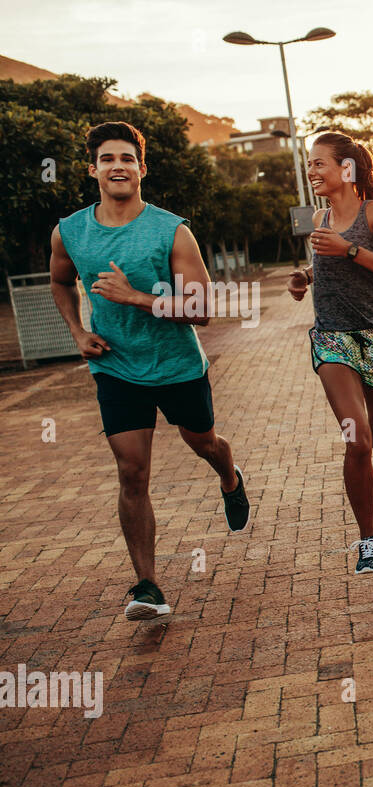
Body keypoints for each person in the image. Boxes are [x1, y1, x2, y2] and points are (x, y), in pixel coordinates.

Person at [49, 121, 251, 620]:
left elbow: (202, 307)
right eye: (107, 159)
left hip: (178, 365)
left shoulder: (171, 230)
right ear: (92, 168)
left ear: (142, 167)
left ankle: (229, 475)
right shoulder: (69, 230)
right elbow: (60, 281)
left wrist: (136, 297)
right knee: (131, 472)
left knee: (203, 442)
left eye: (127, 158)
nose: (117, 166)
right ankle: (147, 586)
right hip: (115, 368)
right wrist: (77, 332)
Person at [288, 132, 373, 573]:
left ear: (347, 168)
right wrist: (305, 277)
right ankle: (365, 540)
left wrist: (351, 249)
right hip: (333, 341)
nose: (312, 171)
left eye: (319, 163)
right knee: (356, 438)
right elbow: (327, 266)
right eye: (310, 163)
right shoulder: (317, 218)